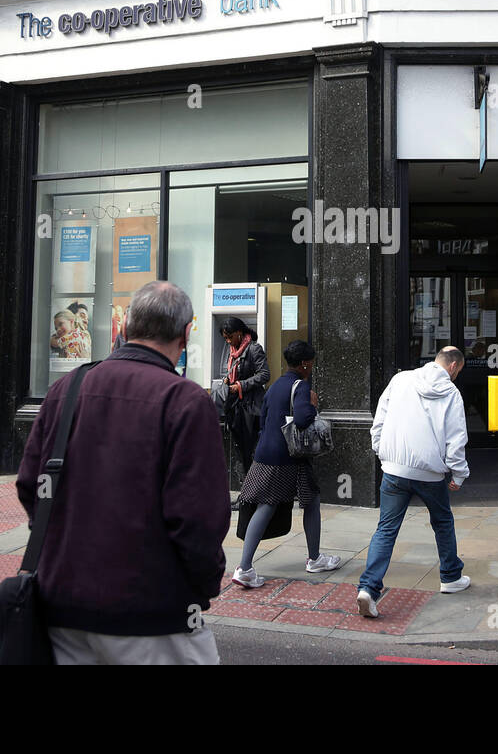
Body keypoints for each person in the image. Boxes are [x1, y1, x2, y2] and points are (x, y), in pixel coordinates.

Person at [17, 280, 229, 665]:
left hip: (63, 608)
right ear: (185, 334)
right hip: (152, 615)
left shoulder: (66, 389)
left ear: (125, 328)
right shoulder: (186, 401)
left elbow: (32, 485)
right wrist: (203, 585)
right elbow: (198, 520)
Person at [357, 346, 471, 618]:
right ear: (453, 367)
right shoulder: (452, 394)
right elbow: (456, 438)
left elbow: (379, 419)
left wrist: (382, 451)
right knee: (442, 522)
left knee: (385, 529)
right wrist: (459, 474)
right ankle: (450, 577)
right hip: (430, 474)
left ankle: (368, 588)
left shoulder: (401, 379)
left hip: (394, 469)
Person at [230, 340, 341, 587]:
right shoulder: (301, 386)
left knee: (310, 500)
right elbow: (301, 419)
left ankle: (314, 558)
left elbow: (264, 420)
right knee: (268, 505)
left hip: (266, 453)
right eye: (311, 362)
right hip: (286, 457)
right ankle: (245, 567)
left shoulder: (276, 385)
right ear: (304, 363)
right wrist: (312, 405)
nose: (311, 366)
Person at [220, 317, 269, 503]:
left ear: (239, 333)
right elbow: (234, 372)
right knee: (241, 452)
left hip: (250, 407)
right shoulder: (233, 351)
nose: (228, 341)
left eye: (230, 337)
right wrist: (228, 380)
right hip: (236, 406)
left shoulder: (254, 349)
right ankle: (247, 494)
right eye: (225, 338)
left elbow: (265, 374)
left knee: (249, 452)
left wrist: (241, 385)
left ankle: (252, 495)